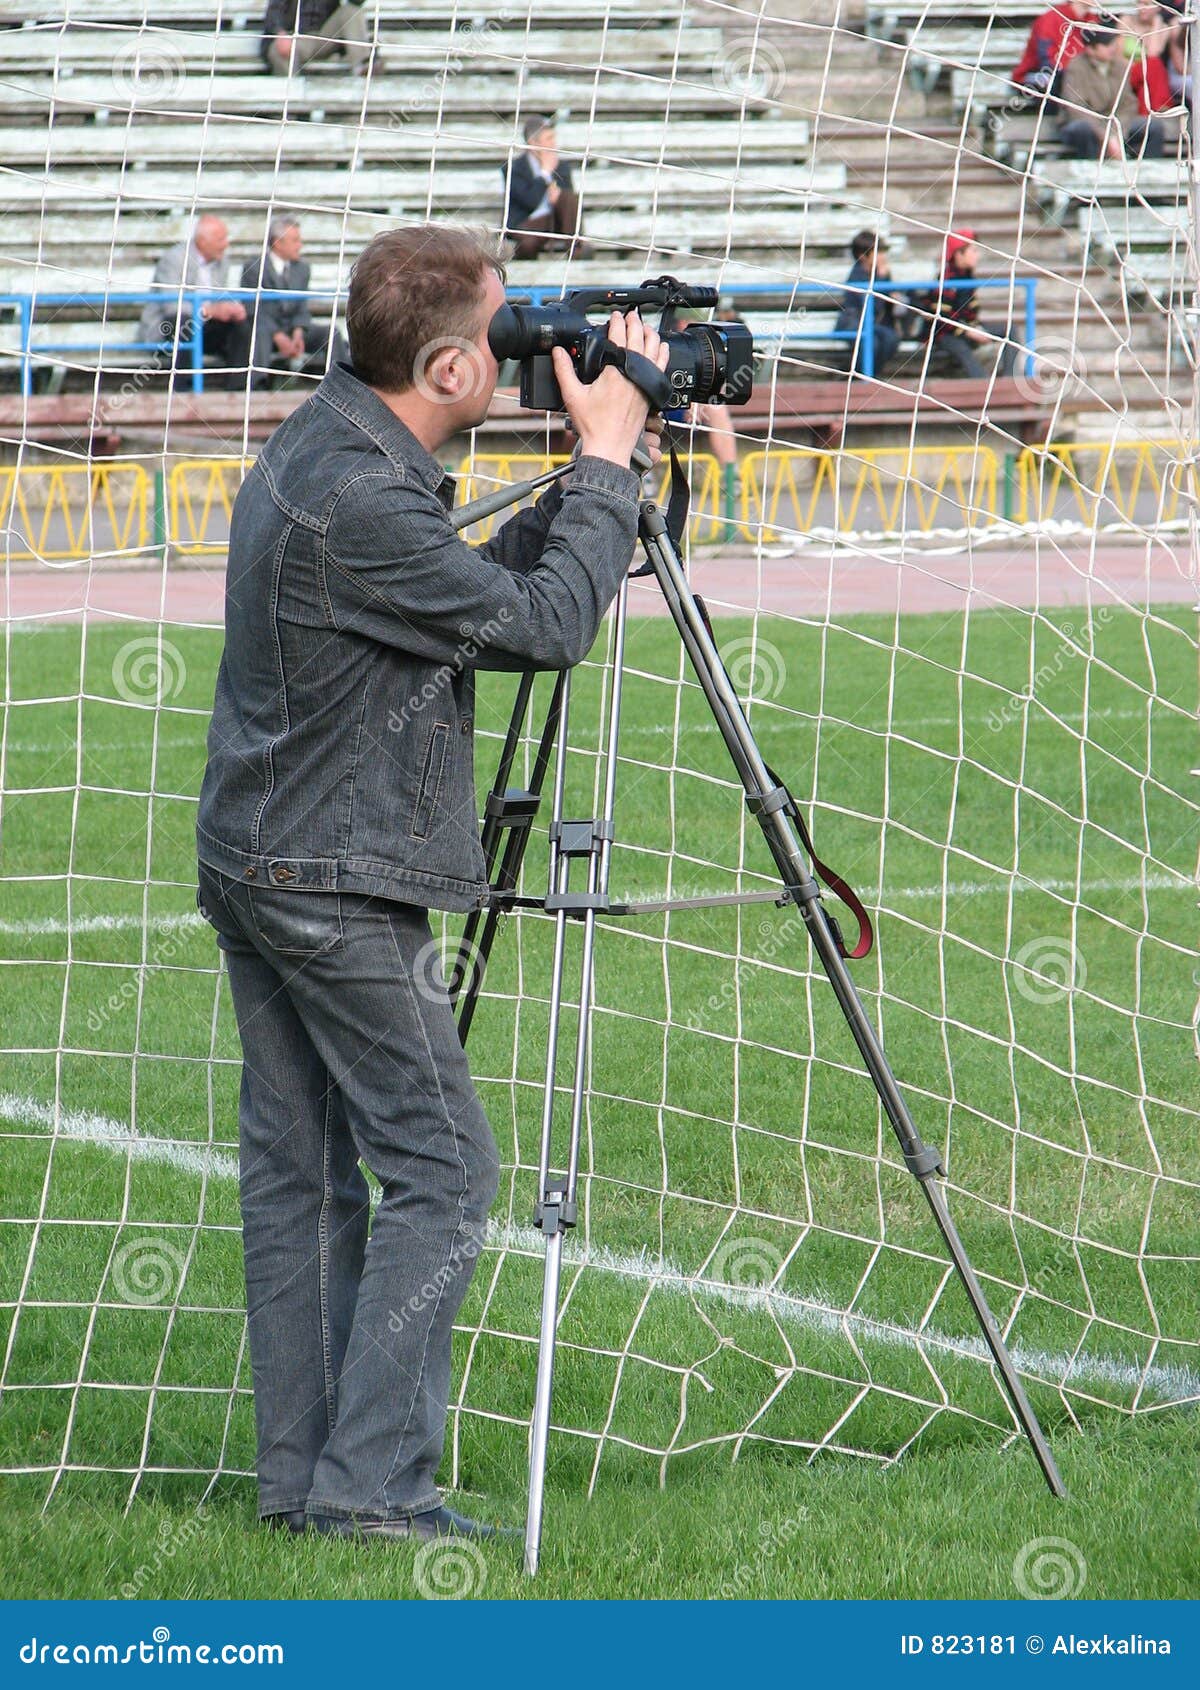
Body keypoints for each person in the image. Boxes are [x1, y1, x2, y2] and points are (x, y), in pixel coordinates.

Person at [195, 224, 667, 1543]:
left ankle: (304, 1482)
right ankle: (374, 1486)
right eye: (506, 336)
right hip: (323, 874)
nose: (525, 354)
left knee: (305, 1171)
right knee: (447, 1166)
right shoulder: (361, 496)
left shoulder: (334, 440)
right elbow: (543, 627)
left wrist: (594, 491)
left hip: (265, 849)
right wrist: (609, 463)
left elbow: (456, 594)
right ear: (453, 363)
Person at [137, 215, 248, 389]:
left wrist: (232, 308)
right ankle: (185, 390)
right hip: (168, 329)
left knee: (241, 326)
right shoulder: (174, 259)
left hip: (205, 327)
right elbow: (172, 305)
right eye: (221, 239)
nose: (226, 244)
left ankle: (237, 389)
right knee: (184, 320)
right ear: (203, 241)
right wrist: (210, 310)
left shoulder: (222, 261)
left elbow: (220, 297)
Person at [240, 216, 347, 388]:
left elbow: (302, 307)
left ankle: (343, 385)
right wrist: (278, 336)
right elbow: (254, 309)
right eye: (295, 240)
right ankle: (256, 387)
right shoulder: (254, 267)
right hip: (266, 329)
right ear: (278, 242)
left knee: (331, 333)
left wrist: (298, 331)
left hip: (292, 327)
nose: (300, 245)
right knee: (260, 333)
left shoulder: (302, 269)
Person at [1059, 20, 1167, 157]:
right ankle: (1091, 172)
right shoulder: (1076, 67)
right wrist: (1105, 135)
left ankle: (1147, 173)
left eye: (1112, 43)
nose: (1112, 48)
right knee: (1083, 129)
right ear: (1090, 49)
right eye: (1106, 44)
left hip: (1116, 123)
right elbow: (1075, 108)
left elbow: (1128, 103)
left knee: (1154, 127)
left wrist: (1114, 132)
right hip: (1087, 124)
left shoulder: (1120, 66)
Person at [928, 229, 1019, 379]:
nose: (977, 255)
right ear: (959, 254)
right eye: (973, 250)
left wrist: (975, 327)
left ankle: (1010, 378)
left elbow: (971, 312)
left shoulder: (968, 276)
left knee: (1010, 330)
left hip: (967, 327)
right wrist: (969, 332)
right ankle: (982, 384)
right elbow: (941, 318)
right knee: (961, 348)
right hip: (945, 334)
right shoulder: (946, 279)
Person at [502, 115, 589, 260]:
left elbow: (569, 204)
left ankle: (576, 249)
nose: (553, 144)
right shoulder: (513, 168)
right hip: (527, 224)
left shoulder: (562, 167)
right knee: (527, 244)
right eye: (548, 139)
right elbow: (530, 201)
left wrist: (557, 196)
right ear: (533, 142)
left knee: (567, 197)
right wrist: (544, 174)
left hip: (556, 221)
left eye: (553, 138)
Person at [834, 230, 901, 377]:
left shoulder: (880, 273)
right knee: (872, 343)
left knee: (891, 338)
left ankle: (866, 376)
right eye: (878, 252)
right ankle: (859, 377)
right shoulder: (857, 276)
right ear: (863, 256)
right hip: (854, 324)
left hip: (875, 325)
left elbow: (889, 302)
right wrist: (883, 279)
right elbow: (872, 305)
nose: (883, 256)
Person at [260, 0, 371, 75]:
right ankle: (291, 101)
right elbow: (274, 12)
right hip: (296, 38)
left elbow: (356, 2)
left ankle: (364, 67)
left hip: (325, 37)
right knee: (278, 50)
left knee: (351, 11)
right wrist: (280, 33)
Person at [1012, 1, 1099, 95]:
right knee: (1053, 82)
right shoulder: (1051, 18)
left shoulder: (1092, 20)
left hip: (1076, 72)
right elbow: (1046, 57)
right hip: (1040, 71)